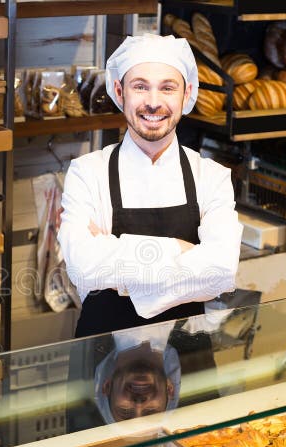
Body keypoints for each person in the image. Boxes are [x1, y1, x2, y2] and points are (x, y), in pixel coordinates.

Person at [58, 34, 243, 339]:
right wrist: (182, 252)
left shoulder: (212, 176)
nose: (154, 102)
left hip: (188, 353)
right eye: (140, 86)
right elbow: (83, 269)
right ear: (120, 92)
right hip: (103, 353)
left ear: (187, 95)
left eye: (168, 88)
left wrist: (117, 261)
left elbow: (221, 272)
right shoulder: (86, 172)